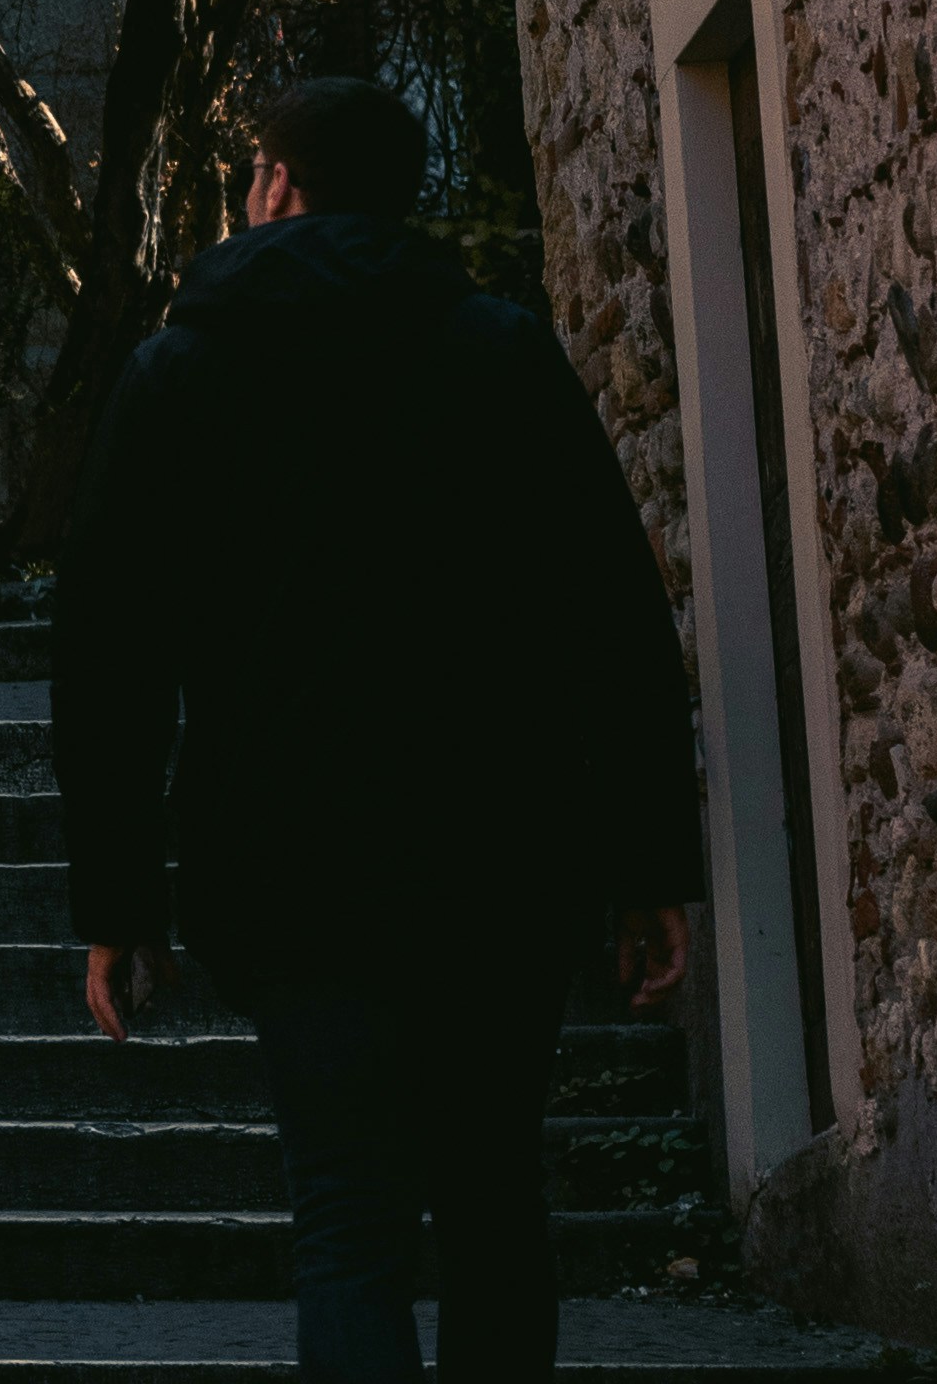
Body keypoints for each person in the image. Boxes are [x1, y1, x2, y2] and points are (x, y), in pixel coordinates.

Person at [52, 74, 702, 1378]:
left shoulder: (183, 371)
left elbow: (110, 653)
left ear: (279, 186)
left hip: (292, 865)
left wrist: (120, 901)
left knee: (345, 1220)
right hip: (498, 857)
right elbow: (609, 619)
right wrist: (646, 865)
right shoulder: (498, 351)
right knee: (493, 1207)